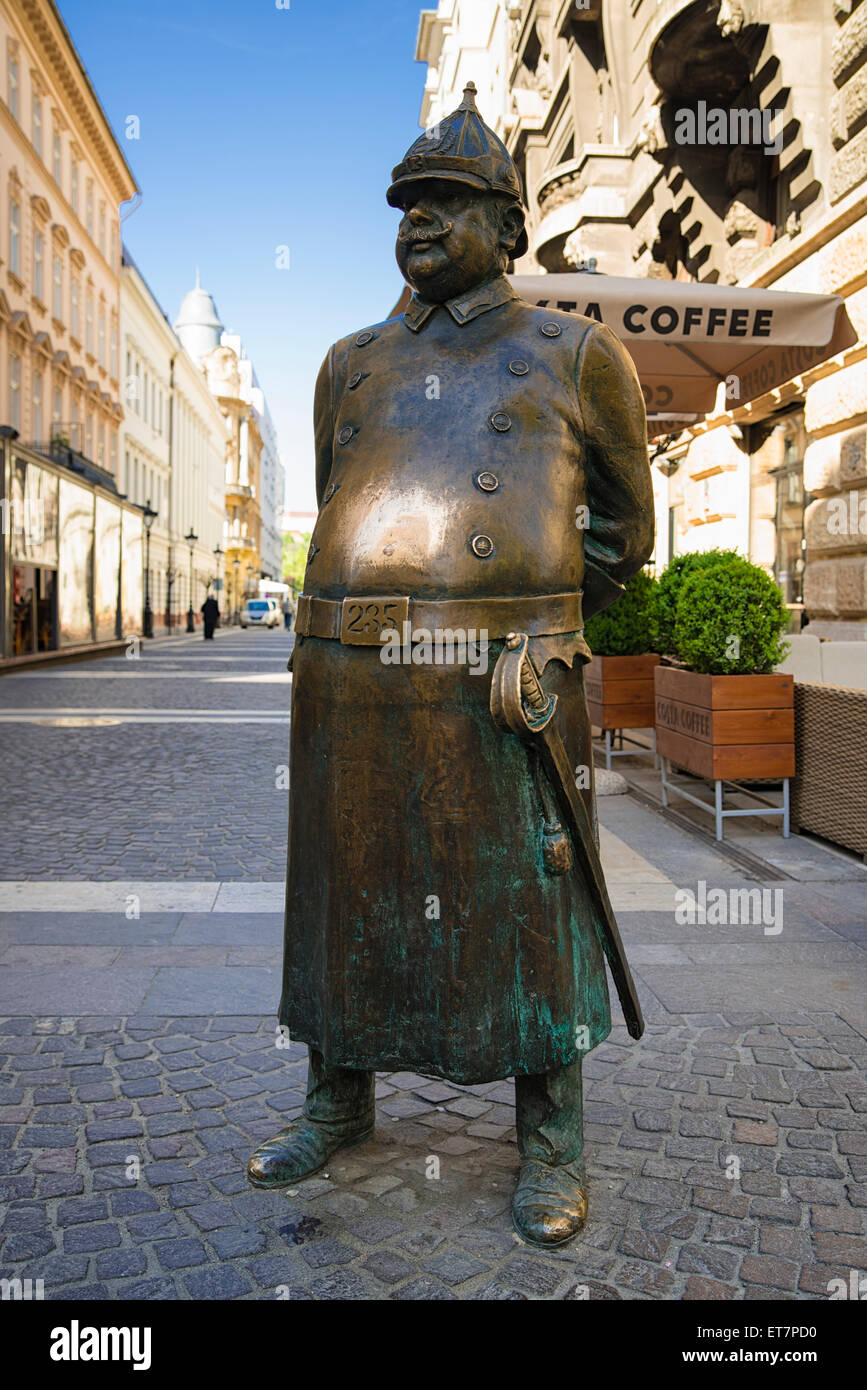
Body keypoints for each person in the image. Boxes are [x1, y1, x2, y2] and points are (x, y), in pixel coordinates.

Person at [247, 84, 654, 1247]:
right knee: (343, 896)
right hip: (353, 682)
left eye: (448, 201)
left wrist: (530, 624)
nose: (420, 221)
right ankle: (336, 1099)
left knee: (531, 906)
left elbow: (624, 535)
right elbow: (342, 501)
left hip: (499, 688)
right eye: (407, 204)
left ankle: (552, 1139)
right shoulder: (352, 363)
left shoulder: (575, 356)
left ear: (510, 226)